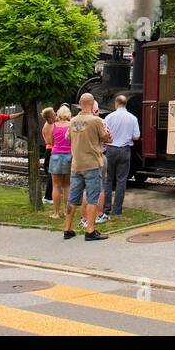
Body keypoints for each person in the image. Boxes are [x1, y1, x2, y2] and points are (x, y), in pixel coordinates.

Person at [63, 94, 111, 241]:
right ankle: (90, 230)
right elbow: (106, 138)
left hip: (76, 165)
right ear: (92, 104)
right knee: (92, 198)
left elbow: (67, 138)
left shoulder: (72, 121)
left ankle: (67, 229)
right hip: (92, 164)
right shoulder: (96, 121)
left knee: (72, 199)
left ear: (80, 104)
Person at [102, 94, 141, 220]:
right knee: (121, 180)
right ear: (125, 104)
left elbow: (104, 134)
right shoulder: (133, 118)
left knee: (108, 180)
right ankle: (117, 209)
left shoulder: (109, 117)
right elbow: (136, 136)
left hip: (111, 150)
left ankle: (106, 208)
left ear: (116, 103)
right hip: (124, 150)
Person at [47, 106, 72, 219]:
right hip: (68, 155)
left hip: (56, 155)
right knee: (67, 185)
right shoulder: (71, 125)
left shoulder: (54, 126)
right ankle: (67, 212)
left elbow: (51, 142)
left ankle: (56, 213)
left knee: (56, 186)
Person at [39, 107, 56, 205]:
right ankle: (48, 196)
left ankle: (49, 195)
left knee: (51, 173)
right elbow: (52, 141)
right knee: (52, 174)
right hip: (52, 149)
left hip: (48, 149)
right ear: (49, 117)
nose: (55, 115)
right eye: (53, 114)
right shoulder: (51, 126)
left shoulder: (46, 125)